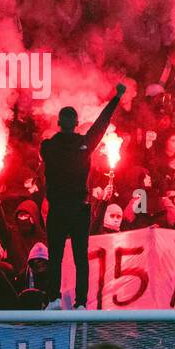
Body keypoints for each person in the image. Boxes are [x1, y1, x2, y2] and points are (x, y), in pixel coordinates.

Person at [40, 83, 127, 308]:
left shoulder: (48, 146)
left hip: (60, 208)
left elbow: (99, 125)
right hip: (78, 208)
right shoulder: (84, 144)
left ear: (59, 123)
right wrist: (116, 97)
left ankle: (54, 298)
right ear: (77, 124)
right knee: (80, 257)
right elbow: (101, 123)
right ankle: (80, 302)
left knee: (56, 255)